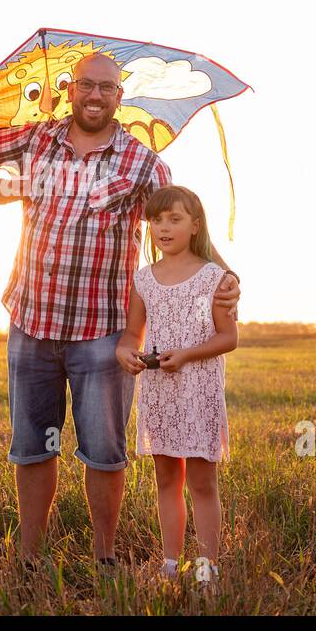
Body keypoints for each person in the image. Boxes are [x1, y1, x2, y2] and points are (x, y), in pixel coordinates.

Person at [0, 51, 243, 570]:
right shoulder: (36, 139)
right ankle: (30, 558)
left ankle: (105, 557)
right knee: (33, 446)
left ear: (119, 97)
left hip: (104, 332)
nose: (95, 96)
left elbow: (178, 224)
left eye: (106, 88)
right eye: (86, 85)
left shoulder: (143, 163)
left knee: (105, 452)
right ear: (70, 89)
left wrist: (224, 274)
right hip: (32, 321)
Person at [116, 185, 238, 584]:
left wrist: (186, 355)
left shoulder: (214, 278)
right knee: (167, 479)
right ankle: (170, 565)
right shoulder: (143, 280)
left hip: (198, 390)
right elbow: (132, 333)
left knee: (202, 482)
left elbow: (228, 338)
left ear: (195, 225)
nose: (164, 228)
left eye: (175, 219)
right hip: (159, 393)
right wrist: (126, 351)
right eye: (156, 220)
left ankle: (207, 568)